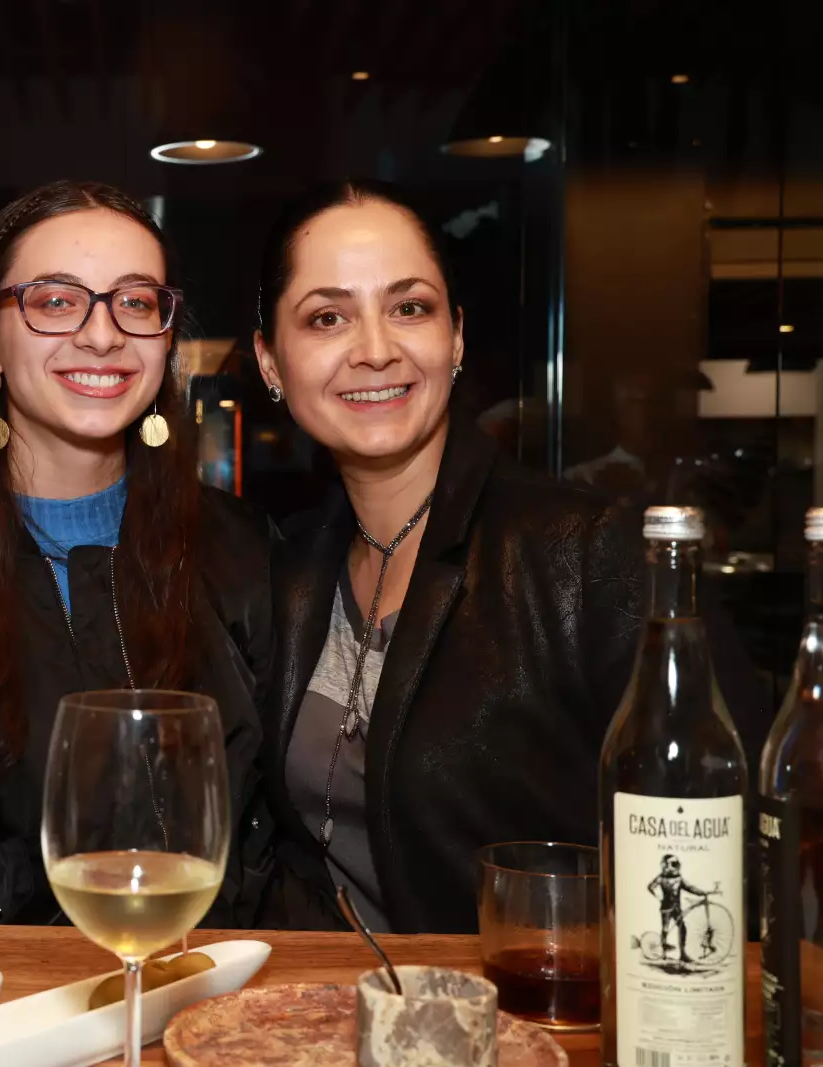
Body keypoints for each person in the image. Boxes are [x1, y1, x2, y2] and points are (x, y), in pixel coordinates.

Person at [0, 180, 272, 924]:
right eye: (57, 300)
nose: (103, 335)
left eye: (135, 302)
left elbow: (285, 849)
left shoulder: (246, 556)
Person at [251, 180, 654, 934]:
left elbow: (726, 856)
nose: (376, 349)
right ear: (272, 362)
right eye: (328, 316)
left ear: (457, 338)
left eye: (410, 308)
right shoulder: (289, 563)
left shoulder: (592, 554)